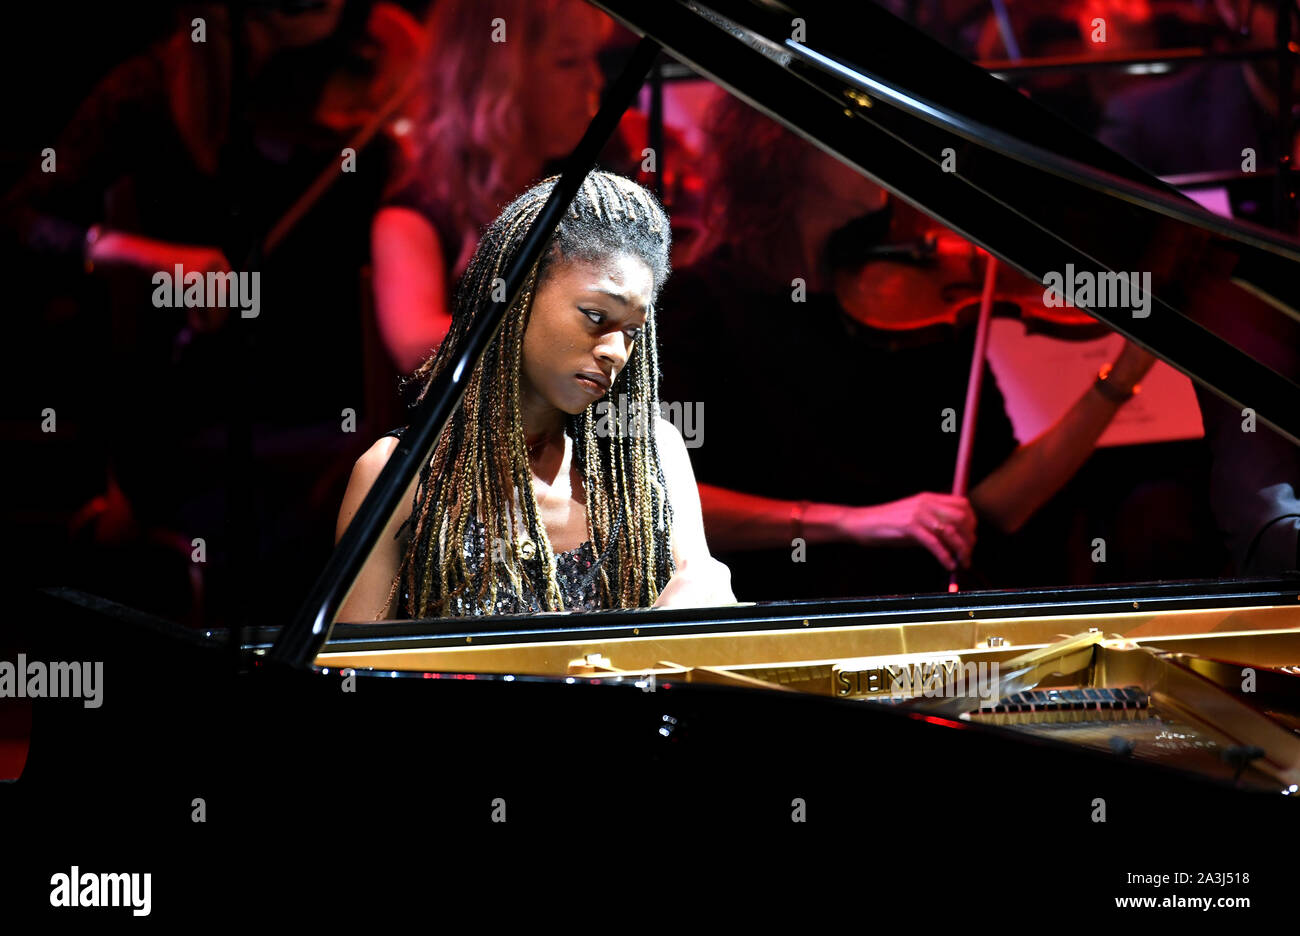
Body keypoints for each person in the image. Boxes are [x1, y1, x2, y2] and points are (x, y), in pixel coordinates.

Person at [657, 95, 1156, 599]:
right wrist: (852, 522)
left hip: (927, 600)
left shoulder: (920, 294)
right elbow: (660, 500)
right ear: (788, 146)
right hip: (780, 606)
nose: (888, 150)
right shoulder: (699, 306)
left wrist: (1121, 378)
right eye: (864, 130)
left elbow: (995, 507)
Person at [336, 171, 735, 620]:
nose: (615, 351)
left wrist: (705, 584)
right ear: (517, 297)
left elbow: (699, 588)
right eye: (595, 315)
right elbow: (357, 675)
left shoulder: (650, 453)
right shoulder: (395, 475)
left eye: (632, 332)